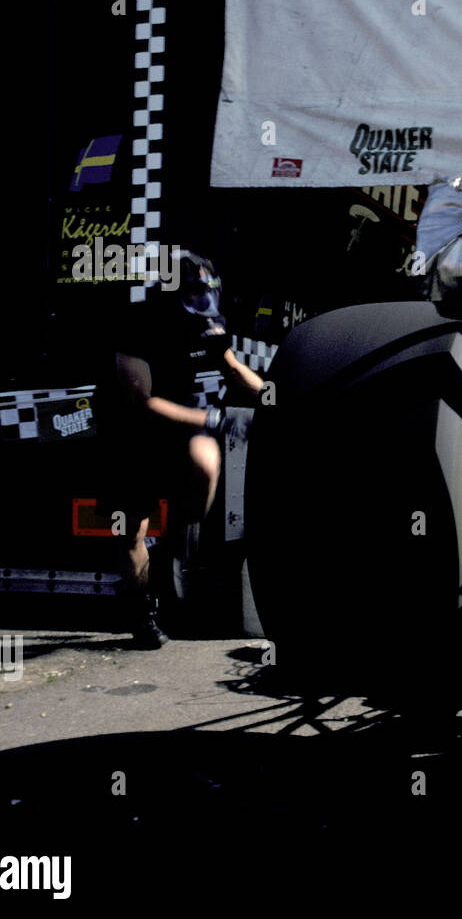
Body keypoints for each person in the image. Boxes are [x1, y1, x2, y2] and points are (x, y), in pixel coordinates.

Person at [106, 250, 264, 647]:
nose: (204, 295)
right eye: (195, 287)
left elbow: (233, 369)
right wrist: (213, 420)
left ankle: (175, 550)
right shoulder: (137, 324)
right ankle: (141, 612)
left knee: (204, 462)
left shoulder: (208, 323)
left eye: (208, 287)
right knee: (130, 531)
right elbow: (142, 401)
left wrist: (282, 395)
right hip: (133, 436)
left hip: (182, 430)